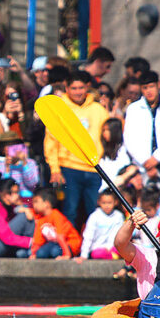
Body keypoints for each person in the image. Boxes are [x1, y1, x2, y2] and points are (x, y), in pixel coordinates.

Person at [45, 71, 108, 227]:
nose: (78, 92)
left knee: (95, 211)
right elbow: (51, 141)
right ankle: (70, 242)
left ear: (87, 87)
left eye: (81, 88)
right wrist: (54, 169)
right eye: (74, 88)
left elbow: (109, 136)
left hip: (95, 169)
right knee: (70, 211)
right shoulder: (59, 109)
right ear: (67, 88)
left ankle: (95, 243)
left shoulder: (98, 109)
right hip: (69, 167)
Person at [124, 69, 160, 181]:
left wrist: (156, 159)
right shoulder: (134, 109)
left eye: (151, 86)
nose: (149, 91)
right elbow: (129, 139)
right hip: (143, 167)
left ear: (159, 85)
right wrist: (146, 163)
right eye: (145, 88)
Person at [28, 189, 82, 259]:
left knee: (55, 252)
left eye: (36, 202)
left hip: (70, 243)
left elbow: (60, 236)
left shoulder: (56, 215)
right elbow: (38, 240)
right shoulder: (40, 219)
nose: (34, 205)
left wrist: (67, 254)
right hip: (55, 244)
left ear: (46, 203)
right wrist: (34, 253)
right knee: (40, 253)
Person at [78, 191, 124, 260]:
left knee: (122, 249)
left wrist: (110, 247)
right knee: (97, 254)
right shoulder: (94, 216)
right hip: (97, 248)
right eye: (104, 203)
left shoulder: (119, 216)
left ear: (115, 202)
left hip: (113, 247)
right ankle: (113, 256)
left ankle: (113, 255)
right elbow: (88, 236)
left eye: (109, 203)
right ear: (99, 202)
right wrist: (84, 255)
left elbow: (119, 235)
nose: (107, 206)